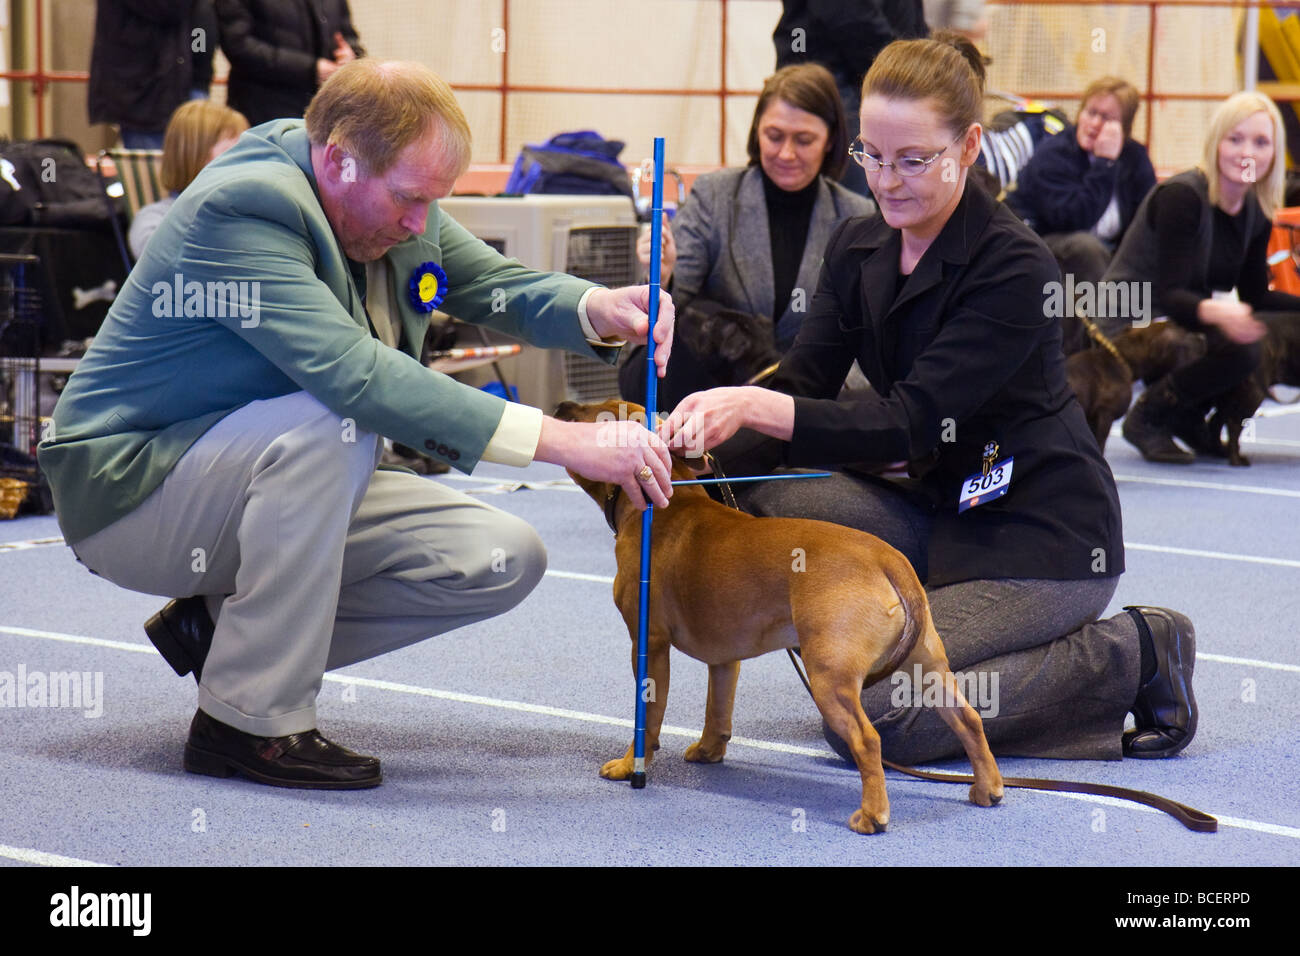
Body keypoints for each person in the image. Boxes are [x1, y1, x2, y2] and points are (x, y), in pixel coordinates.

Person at [38, 60, 675, 790]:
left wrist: (598, 307)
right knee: (332, 417)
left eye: (432, 202)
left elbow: (493, 285)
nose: (420, 223)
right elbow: (355, 376)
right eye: (409, 200)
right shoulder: (242, 208)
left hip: (259, 471)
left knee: (499, 555)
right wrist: (569, 441)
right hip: (132, 492)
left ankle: (224, 636)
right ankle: (247, 720)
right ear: (338, 158)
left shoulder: (391, 194)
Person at [658, 32, 1197, 763]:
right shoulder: (856, 245)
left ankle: (1131, 650)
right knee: (766, 498)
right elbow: (804, 384)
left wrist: (752, 406)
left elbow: (909, 422)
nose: (887, 181)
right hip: (940, 511)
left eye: (914, 160)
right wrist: (686, 462)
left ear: (970, 146)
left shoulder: (1016, 267)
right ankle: (895, 644)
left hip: (1042, 536)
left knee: (885, 712)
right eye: (873, 157)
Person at [621, 63, 875, 409]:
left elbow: (866, 334)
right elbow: (675, 307)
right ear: (756, 132)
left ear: (830, 140)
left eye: (804, 140)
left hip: (809, 404)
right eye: (774, 136)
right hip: (714, 394)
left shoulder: (856, 214)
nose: (787, 153)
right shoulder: (715, 195)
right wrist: (664, 275)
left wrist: (822, 401)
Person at [1104, 90, 1298, 464]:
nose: (1247, 153)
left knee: (1259, 331)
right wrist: (1220, 312)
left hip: (1179, 318)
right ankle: (1149, 416)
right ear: (1216, 142)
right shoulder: (1183, 196)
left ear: (1275, 153)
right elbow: (1172, 293)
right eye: (1235, 139)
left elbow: (1257, 296)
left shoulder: (1256, 210)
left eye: (1261, 143)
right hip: (1131, 318)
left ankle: (1187, 418)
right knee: (1239, 346)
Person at [1006, 77, 1156, 323]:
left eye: (1107, 118)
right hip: (1044, 244)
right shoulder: (1054, 154)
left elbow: (1147, 220)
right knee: (1087, 248)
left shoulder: (1135, 158)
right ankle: (1107, 335)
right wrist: (1105, 164)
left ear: (1124, 127)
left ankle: (1140, 333)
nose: (1095, 123)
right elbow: (1074, 218)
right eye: (1091, 112)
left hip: (1106, 252)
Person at [774, 1, 928, 198]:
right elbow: (851, 16)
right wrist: (904, 66)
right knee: (852, 203)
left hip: (872, 73)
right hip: (840, 75)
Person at [88, 0, 219, 149]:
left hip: (186, 82)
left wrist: (201, 72)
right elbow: (168, 8)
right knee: (156, 167)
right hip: (146, 95)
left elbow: (200, 33)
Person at [128, 100, 249, 258]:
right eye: (232, 151)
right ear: (194, 156)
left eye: (246, 150)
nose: (246, 160)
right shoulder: (155, 219)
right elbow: (163, 263)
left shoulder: (248, 215)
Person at [215, 0, 365, 127]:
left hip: (323, 112)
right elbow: (237, 45)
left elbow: (349, 37)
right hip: (263, 109)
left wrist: (350, 56)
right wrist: (311, 69)